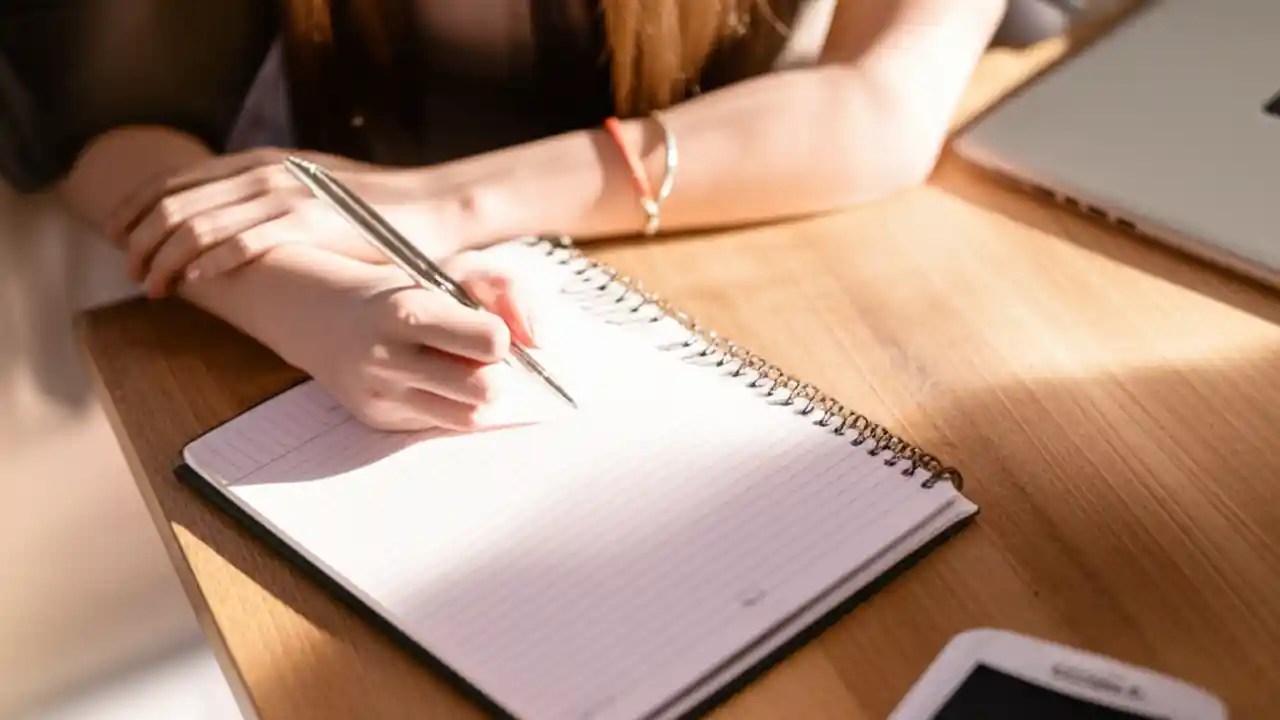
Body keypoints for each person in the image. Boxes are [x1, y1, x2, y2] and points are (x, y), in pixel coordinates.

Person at [1, 0, 1008, 431]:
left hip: (750, 201)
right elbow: (114, 123)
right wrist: (332, 298)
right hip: (382, 234)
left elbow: (880, 104)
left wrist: (433, 208)